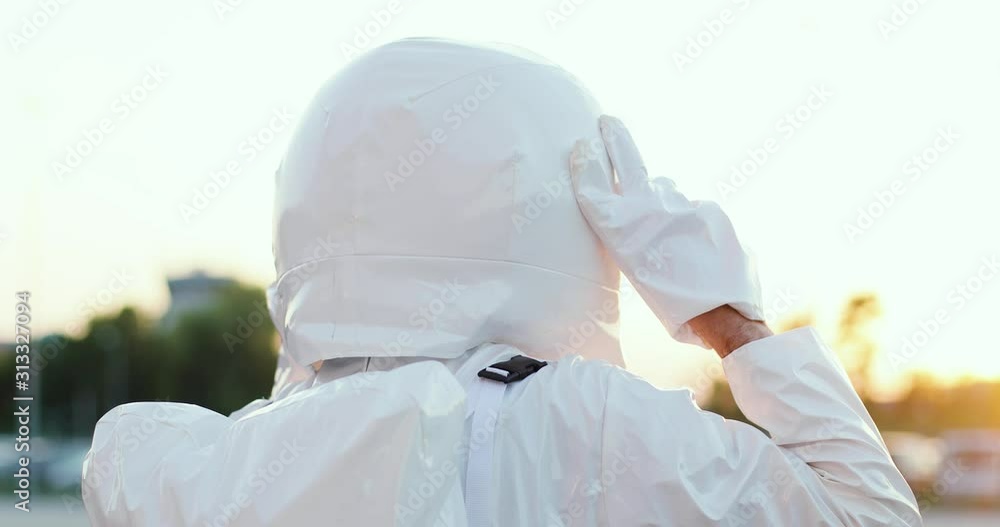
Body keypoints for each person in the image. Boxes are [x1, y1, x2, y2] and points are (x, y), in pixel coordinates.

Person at [82, 38, 922, 526]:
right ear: (583, 218)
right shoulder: (582, 423)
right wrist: (729, 318)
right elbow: (870, 514)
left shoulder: (178, 465)